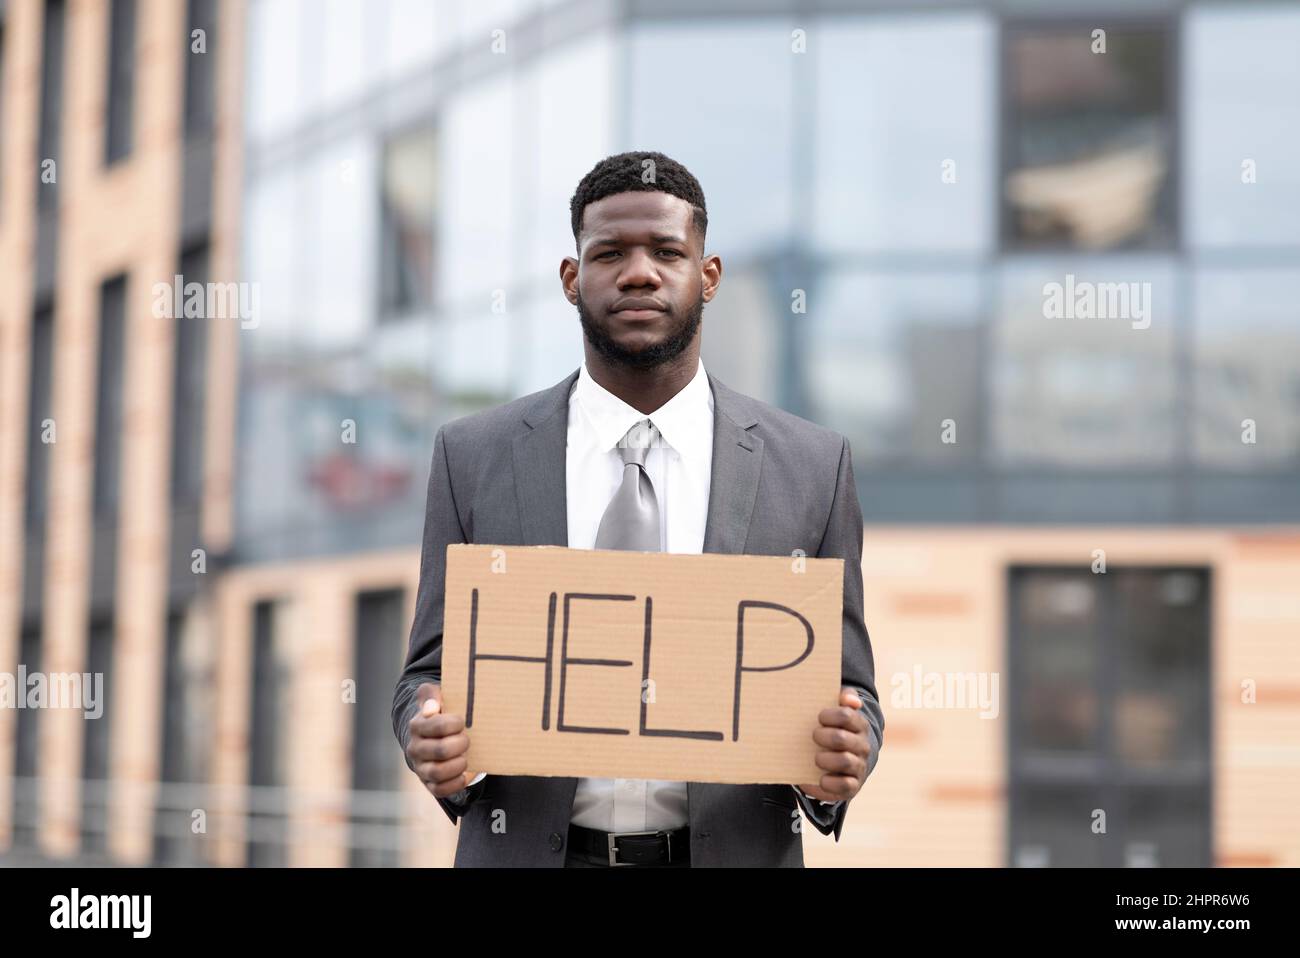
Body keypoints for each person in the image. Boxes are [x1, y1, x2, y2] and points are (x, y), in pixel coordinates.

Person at [393, 151, 883, 867]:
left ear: (708, 276)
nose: (640, 272)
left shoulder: (812, 467)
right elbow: (424, 672)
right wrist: (426, 730)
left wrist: (843, 761)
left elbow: (851, 688)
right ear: (572, 278)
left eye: (666, 252)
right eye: (610, 253)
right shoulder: (473, 457)